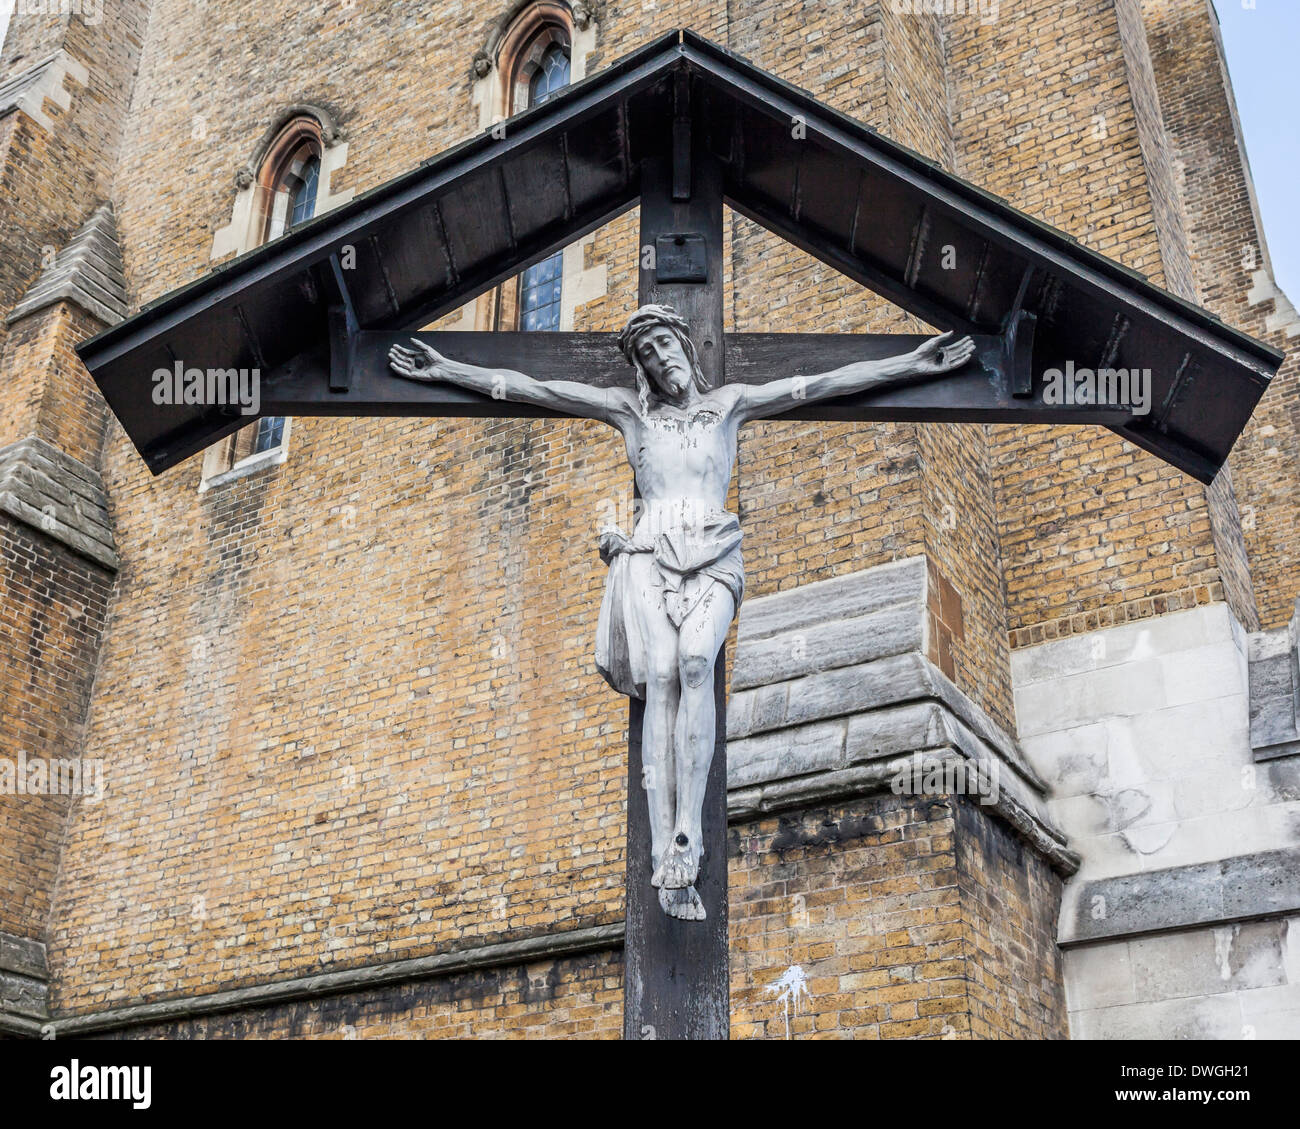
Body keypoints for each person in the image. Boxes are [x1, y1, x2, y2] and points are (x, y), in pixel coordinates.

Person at [389, 305, 975, 919]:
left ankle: (689, 830)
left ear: (685, 346)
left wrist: (911, 362)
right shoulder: (632, 415)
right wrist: (448, 368)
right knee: (661, 684)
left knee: (697, 662)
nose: (660, 359)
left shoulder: (731, 404)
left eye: (665, 344)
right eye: (646, 354)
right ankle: (663, 852)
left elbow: (818, 385)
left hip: (714, 553)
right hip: (648, 557)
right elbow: (541, 390)